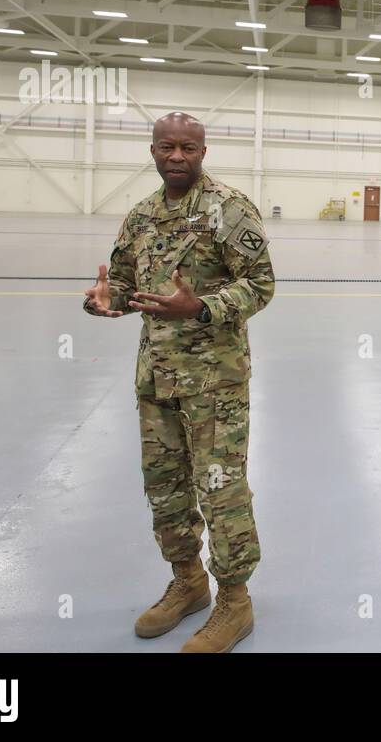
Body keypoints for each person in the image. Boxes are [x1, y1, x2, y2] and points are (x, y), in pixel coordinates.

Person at [82, 111, 274, 653]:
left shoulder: (228, 208)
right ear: (152, 150)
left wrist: (203, 307)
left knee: (221, 492)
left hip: (215, 382)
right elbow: (122, 280)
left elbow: (260, 286)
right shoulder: (141, 216)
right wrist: (106, 299)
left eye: (188, 148)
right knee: (164, 486)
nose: (177, 157)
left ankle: (234, 601)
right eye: (167, 147)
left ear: (203, 151)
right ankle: (188, 581)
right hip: (155, 378)